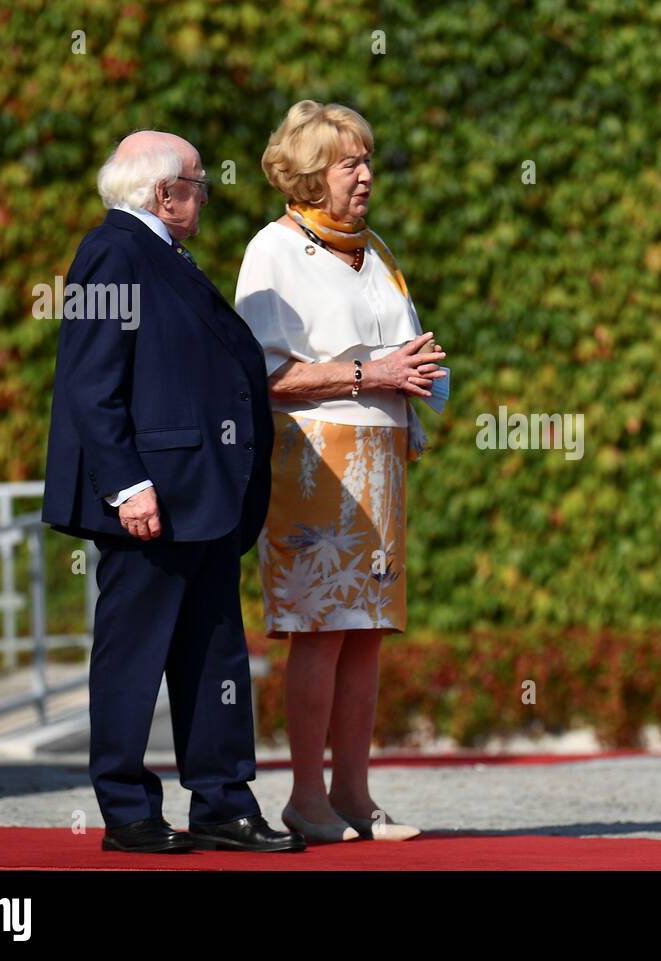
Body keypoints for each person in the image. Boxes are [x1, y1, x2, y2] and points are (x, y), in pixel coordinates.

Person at [42, 130, 304, 853]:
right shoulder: (115, 251)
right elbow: (92, 386)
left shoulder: (159, 254)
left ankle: (222, 801)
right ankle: (127, 809)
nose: (204, 196)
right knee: (133, 654)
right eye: (197, 183)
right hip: (153, 499)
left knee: (213, 654)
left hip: (203, 498)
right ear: (165, 192)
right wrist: (127, 484)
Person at [235, 101, 443, 843]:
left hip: (382, 455)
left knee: (367, 632)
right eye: (348, 162)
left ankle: (356, 795)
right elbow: (264, 373)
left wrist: (417, 370)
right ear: (308, 173)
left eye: (366, 159)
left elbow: (399, 345)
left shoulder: (374, 246)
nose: (366, 174)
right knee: (321, 629)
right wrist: (372, 368)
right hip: (314, 458)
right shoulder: (274, 249)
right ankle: (305, 797)